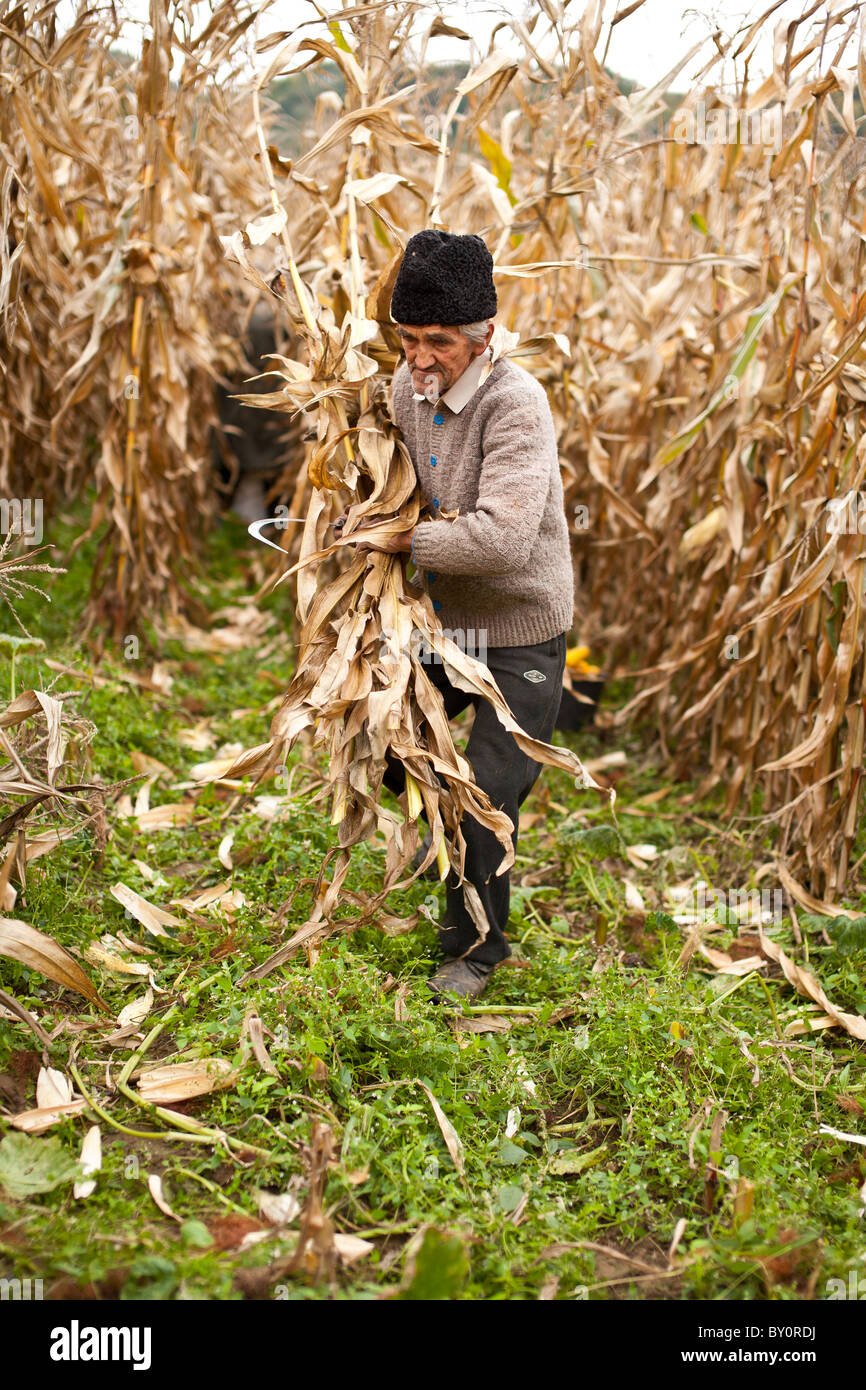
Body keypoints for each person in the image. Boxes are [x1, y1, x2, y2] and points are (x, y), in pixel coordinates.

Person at [338, 229, 575, 1000]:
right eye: (408, 339)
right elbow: (395, 477)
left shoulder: (518, 405)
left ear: (485, 337)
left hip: (521, 633)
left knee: (486, 797)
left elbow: (503, 541)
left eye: (438, 342)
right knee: (398, 750)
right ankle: (441, 861)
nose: (420, 358)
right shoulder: (408, 386)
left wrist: (400, 538)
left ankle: (477, 950)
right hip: (443, 624)